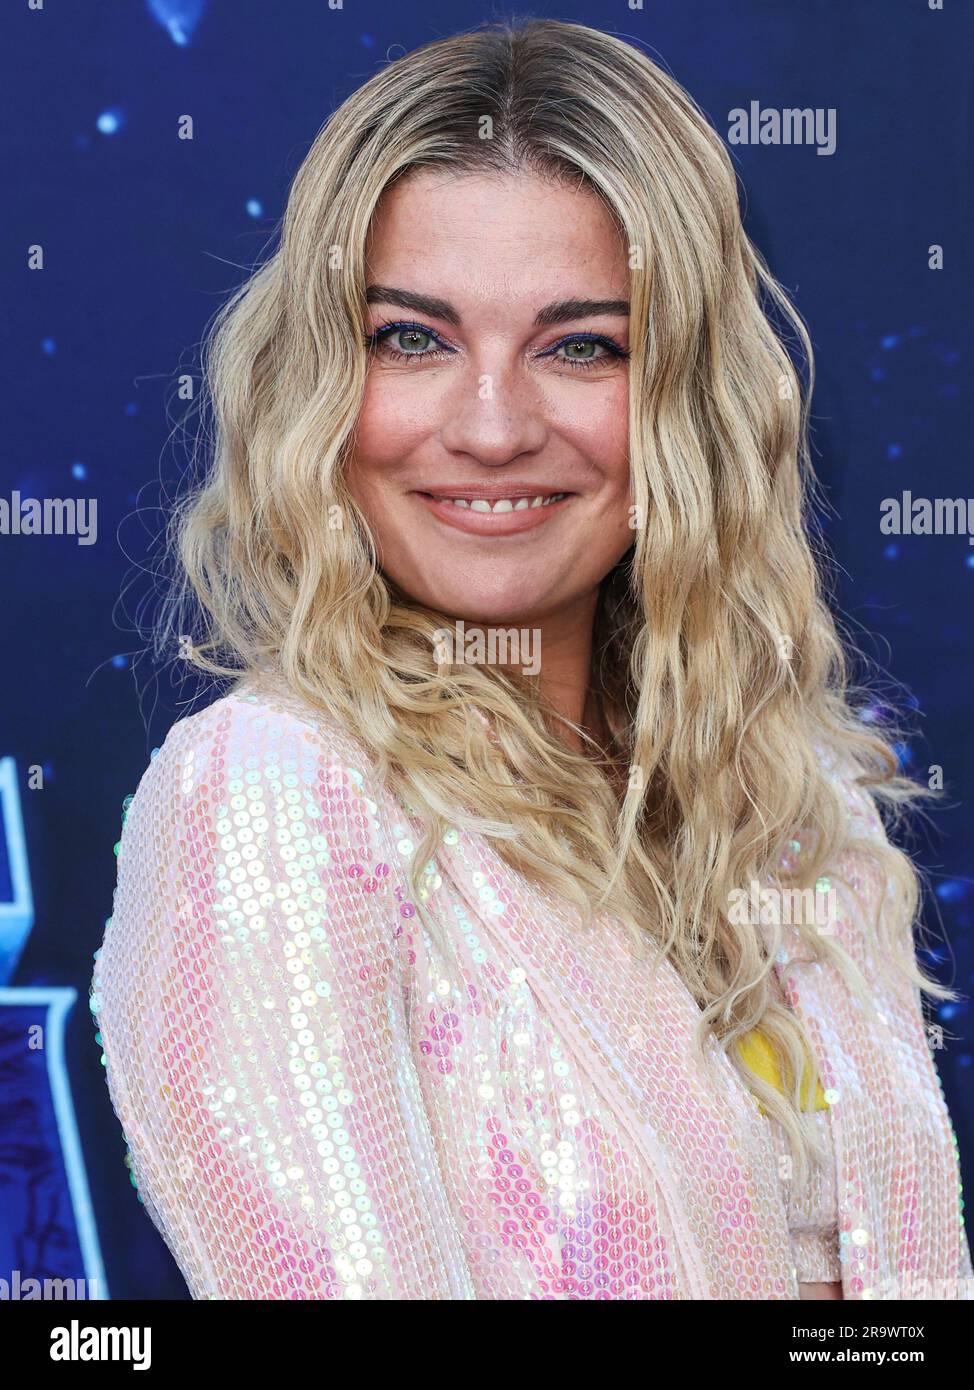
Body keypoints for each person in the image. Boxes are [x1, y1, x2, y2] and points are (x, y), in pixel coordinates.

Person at [90, 17, 972, 1300]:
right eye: (412, 338)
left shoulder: (796, 813)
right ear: (323, 385)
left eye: (580, 345)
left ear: (682, 396)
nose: (491, 426)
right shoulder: (271, 797)